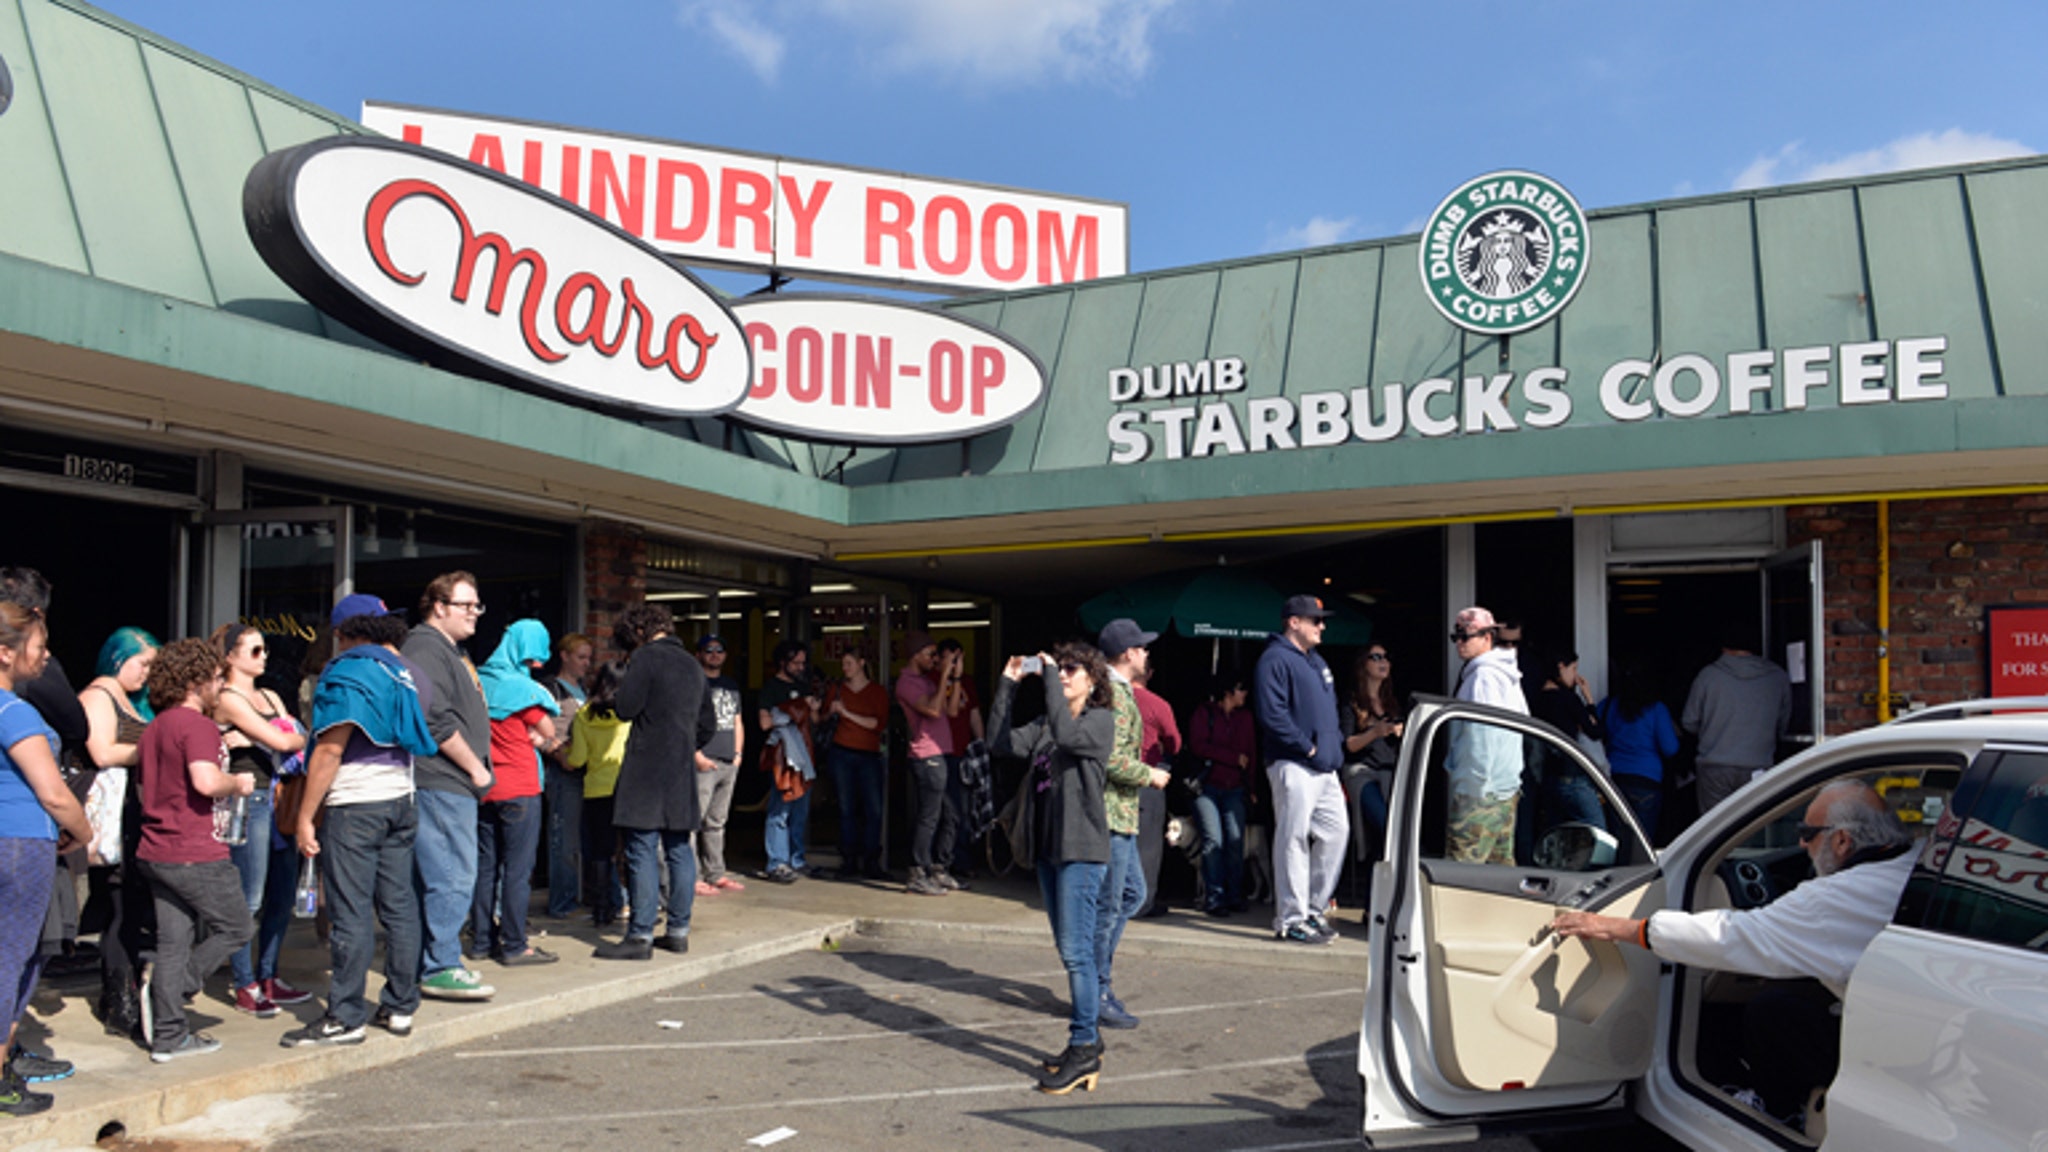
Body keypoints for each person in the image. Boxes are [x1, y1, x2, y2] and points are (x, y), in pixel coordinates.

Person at [1551, 779, 1915, 1124]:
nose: (1802, 845)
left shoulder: (1834, 899)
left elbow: (1730, 936)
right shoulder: (1915, 863)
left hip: (1878, 1049)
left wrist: (1622, 927)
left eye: (1807, 834)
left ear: (1841, 842)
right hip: (1908, 1037)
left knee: (1770, 1010)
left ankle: (1779, 1110)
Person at [282, 594, 439, 1047]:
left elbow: (330, 750)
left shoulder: (349, 671)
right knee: (400, 906)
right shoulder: (413, 674)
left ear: (344, 633)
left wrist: (307, 816)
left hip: (356, 803)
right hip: (402, 798)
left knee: (351, 913)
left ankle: (346, 1016)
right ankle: (400, 1004)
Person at [987, 642, 1117, 1096]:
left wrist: (1045, 685)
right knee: (1070, 951)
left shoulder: (1099, 723)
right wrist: (1007, 684)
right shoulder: (1047, 723)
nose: (1062, 675)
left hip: (1081, 851)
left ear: (1093, 680)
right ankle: (1086, 1042)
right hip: (1049, 851)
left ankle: (1083, 1046)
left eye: (1070, 669)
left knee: (1077, 952)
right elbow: (998, 744)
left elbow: (1065, 733)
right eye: (1058, 669)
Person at [134, 638, 253, 1063]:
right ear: (196, 680)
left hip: (157, 849)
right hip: (194, 848)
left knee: (174, 942)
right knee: (237, 927)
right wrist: (237, 782)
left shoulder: (156, 727)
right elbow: (205, 782)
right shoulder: (196, 725)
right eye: (217, 678)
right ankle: (177, 989)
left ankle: (169, 1036)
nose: (221, 686)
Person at [0, 594, 94, 1113]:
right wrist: (82, 832)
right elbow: (55, 792)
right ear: (5, 653)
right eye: (38, 646)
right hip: (18, 843)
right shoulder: (16, 712)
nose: (45, 655)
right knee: (12, 956)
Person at [401, 572, 496, 1003]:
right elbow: (433, 718)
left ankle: (433, 959)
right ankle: (441, 965)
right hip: (442, 779)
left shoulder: (448, 649)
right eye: (466, 605)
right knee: (453, 875)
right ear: (439, 606)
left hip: (452, 782)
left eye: (477, 605)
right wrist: (475, 768)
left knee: (445, 875)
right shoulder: (424, 646)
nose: (475, 612)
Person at [207, 623, 310, 1019]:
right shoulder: (228, 698)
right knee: (249, 895)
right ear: (229, 656)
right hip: (249, 800)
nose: (263, 656)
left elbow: (300, 735)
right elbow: (287, 740)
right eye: (253, 651)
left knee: (281, 893)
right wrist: (276, 736)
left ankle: (269, 974)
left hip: (282, 795)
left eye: (264, 649)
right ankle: (244, 980)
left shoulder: (269, 694)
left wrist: (258, 738)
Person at [595, 604, 705, 961]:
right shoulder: (692, 664)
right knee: (679, 848)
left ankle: (640, 935)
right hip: (680, 768)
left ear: (639, 632)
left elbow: (626, 707)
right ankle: (678, 931)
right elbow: (707, 725)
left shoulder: (645, 659)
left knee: (640, 849)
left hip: (645, 767)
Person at [77, 627, 158, 1042]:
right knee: (117, 908)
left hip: (134, 816)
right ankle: (117, 999)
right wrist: (157, 747)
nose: (146, 672)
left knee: (131, 908)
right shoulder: (99, 694)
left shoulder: (129, 698)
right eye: (141, 663)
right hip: (112, 820)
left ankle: (121, 995)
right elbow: (103, 751)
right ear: (118, 658)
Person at [1252, 596, 1346, 945]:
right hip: (1293, 762)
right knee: (1293, 839)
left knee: (1337, 834)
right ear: (1294, 622)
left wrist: (1330, 749)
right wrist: (1307, 746)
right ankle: (1291, 917)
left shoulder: (1315, 660)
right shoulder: (1274, 659)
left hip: (1324, 767)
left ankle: (1312, 910)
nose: (1322, 626)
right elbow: (1272, 714)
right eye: (1315, 620)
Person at [1094, 619, 1171, 1026]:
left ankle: (1095, 981)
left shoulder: (1119, 691)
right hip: (1112, 813)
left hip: (1119, 813)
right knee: (1112, 904)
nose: (1146, 654)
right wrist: (1149, 775)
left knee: (1130, 895)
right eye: (1141, 648)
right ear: (1127, 654)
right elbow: (1107, 759)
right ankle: (1096, 989)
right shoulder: (1115, 696)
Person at [470, 619, 560, 965]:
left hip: (485, 786)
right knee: (518, 871)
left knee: (485, 868)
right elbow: (548, 729)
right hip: (521, 788)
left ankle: (480, 941)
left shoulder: (478, 681)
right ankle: (514, 944)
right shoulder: (522, 690)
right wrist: (541, 738)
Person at [1446, 606, 1529, 865]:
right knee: (1499, 875)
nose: (1459, 643)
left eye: (1466, 636)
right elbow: (1524, 722)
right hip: (1505, 790)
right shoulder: (1508, 675)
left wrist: (1473, 789)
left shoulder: (1482, 678)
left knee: (1460, 875)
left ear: (1487, 637)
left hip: (1480, 794)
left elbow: (1481, 739)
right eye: (1456, 637)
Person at [1683, 632, 1793, 812]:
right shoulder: (1777, 676)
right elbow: (1783, 724)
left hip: (1715, 768)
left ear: (1724, 648)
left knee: (1714, 829)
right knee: (1754, 827)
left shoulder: (1708, 675)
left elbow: (1689, 722)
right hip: (1759, 765)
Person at [895, 633, 961, 896]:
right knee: (929, 816)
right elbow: (933, 710)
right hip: (926, 755)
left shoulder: (926, 681)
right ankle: (917, 871)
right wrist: (944, 674)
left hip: (941, 752)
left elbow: (952, 710)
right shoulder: (907, 683)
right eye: (931, 655)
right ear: (916, 655)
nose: (935, 660)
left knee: (951, 815)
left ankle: (939, 867)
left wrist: (954, 677)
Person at [1185, 672, 1256, 917]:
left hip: (1235, 787)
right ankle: (1215, 898)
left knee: (1235, 840)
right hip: (1207, 787)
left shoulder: (1245, 718)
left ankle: (1234, 895)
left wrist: (1253, 787)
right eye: (1241, 688)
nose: (1245, 693)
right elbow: (1197, 745)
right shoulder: (1204, 714)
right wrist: (1232, 758)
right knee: (1213, 839)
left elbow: (1251, 753)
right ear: (1228, 691)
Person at [569, 661, 629, 928]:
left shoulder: (584, 715)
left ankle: (601, 911)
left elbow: (578, 759)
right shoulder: (631, 714)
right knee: (632, 852)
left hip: (596, 790)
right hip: (628, 789)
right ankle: (637, 908)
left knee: (601, 853)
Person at [537, 632, 591, 920]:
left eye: (589, 658)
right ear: (565, 656)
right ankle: (562, 902)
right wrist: (557, 752)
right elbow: (536, 730)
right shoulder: (549, 689)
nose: (586, 663)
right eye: (581, 657)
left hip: (587, 771)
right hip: (562, 771)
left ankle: (585, 895)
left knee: (585, 839)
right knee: (565, 840)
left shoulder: (583, 688)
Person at [756, 640, 817, 884]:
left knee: (800, 809)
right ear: (783, 662)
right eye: (796, 663)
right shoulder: (771, 688)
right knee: (780, 807)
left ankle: (796, 858)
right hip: (782, 755)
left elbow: (814, 720)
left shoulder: (803, 686)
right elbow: (764, 722)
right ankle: (776, 861)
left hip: (803, 755)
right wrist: (792, 709)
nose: (800, 667)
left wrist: (812, 707)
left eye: (803, 662)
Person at [825, 650, 888, 881]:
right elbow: (822, 719)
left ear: (862, 663)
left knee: (873, 810)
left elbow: (876, 724)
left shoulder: (877, 692)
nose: (845, 668)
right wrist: (827, 711)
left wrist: (846, 713)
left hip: (869, 755)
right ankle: (849, 859)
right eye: (843, 664)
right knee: (846, 809)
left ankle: (871, 860)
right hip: (841, 752)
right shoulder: (838, 690)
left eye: (849, 663)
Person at [1339, 646, 1403, 866]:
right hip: (1361, 772)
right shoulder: (1351, 701)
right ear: (1363, 664)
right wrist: (1375, 732)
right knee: (1385, 823)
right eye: (1376, 657)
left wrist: (1401, 732)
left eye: (1386, 657)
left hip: (1390, 772)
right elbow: (1349, 744)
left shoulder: (1392, 702)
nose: (1383, 661)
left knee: (1399, 826)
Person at [1598, 665, 1678, 840]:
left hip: (1614, 779)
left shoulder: (1610, 705)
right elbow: (1670, 748)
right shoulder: (1657, 709)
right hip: (1646, 781)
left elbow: (1593, 729)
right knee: (1641, 845)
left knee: (1617, 842)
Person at [1530, 650, 1606, 831]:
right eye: (1574, 669)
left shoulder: (1535, 699)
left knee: (1557, 833)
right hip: (1572, 776)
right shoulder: (1568, 699)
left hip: (1547, 776)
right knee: (1598, 832)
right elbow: (1595, 731)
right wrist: (1589, 700)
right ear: (1561, 667)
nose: (1575, 675)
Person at [692, 635, 745, 895]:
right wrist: (696, 754)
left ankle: (716, 873)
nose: (714, 654)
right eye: (709, 650)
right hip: (704, 760)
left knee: (716, 821)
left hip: (727, 760)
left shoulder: (730, 685)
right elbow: (686, 722)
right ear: (699, 654)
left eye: (719, 650)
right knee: (694, 821)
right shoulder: (693, 684)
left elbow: (737, 721)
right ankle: (692, 876)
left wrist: (738, 754)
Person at [1129, 663, 1179, 918]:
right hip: (1148, 778)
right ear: (1150, 674)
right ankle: (1142, 903)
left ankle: (1113, 900)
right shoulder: (1157, 704)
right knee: (1147, 847)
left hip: (1113, 779)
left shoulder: (1105, 699)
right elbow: (1175, 742)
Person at [936, 638, 985, 879]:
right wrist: (951, 676)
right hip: (942, 753)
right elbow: (949, 710)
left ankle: (963, 859)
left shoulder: (968, 682)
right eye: (949, 658)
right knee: (948, 811)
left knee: (966, 809)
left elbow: (974, 714)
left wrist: (981, 745)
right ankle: (945, 860)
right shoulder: (935, 682)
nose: (954, 663)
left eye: (957, 658)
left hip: (963, 753)